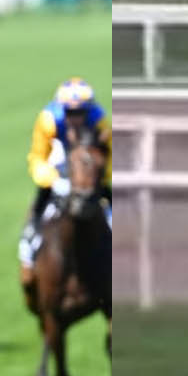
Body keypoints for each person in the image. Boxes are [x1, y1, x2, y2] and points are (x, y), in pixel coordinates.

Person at [19, 77, 110, 284]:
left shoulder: (98, 121)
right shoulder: (48, 121)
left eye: (81, 112)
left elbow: (110, 154)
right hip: (56, 178)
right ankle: (27, 258)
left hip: (90, 181)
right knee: (35, 217)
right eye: (71, 112)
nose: (76, 118)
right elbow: (37, 157)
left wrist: (101, 178)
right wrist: (52, 179)